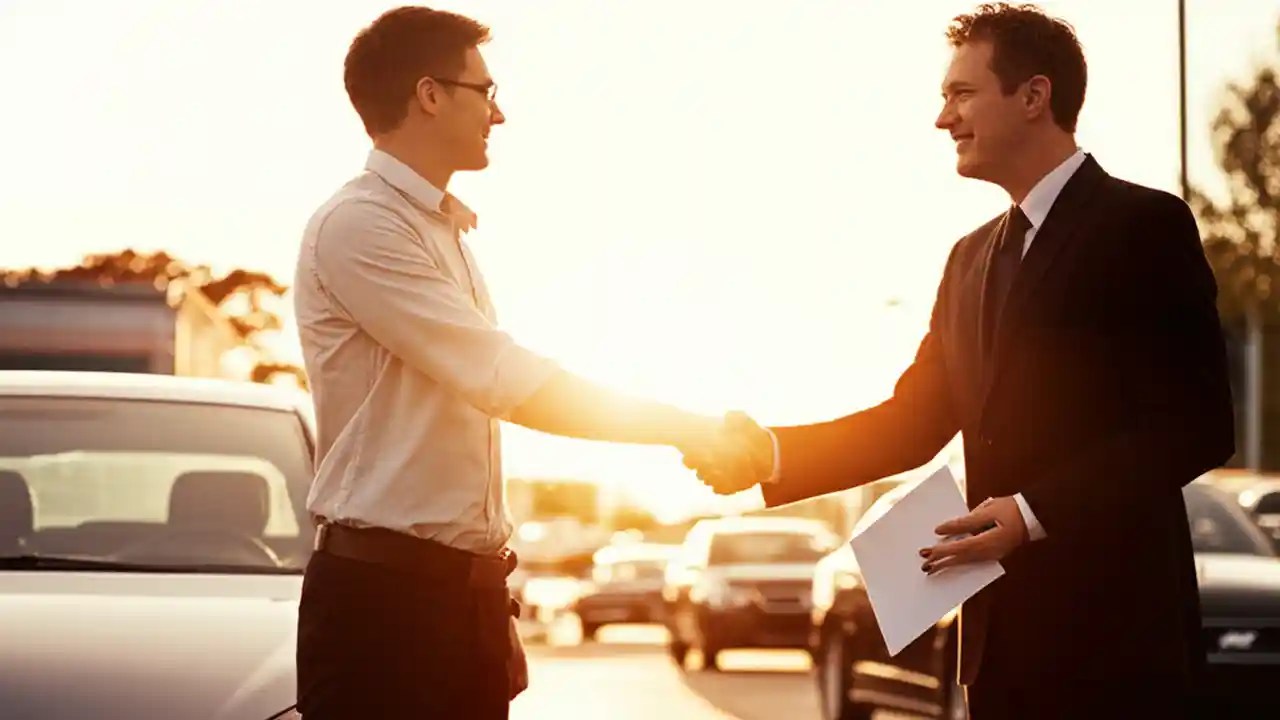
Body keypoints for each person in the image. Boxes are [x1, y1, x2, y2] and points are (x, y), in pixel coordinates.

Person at [689, 4, 1234, 718]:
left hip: (1120, 648)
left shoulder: (1144, 226)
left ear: (1034, 96)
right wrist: (770, 453)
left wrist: (1031, 514)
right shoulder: (968, 259)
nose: (943, 118)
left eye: (962, 94)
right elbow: (912, 423)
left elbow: (1197, 427)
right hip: (999, 650)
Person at [291, 7, 741, 718]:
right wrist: (683, 427)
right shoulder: (361, 225)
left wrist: (486, 607)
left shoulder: (444, 231)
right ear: (429, 94)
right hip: (386, 611)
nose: (497, 114)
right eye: (486, 92)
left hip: (457, 600)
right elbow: (503, 379)